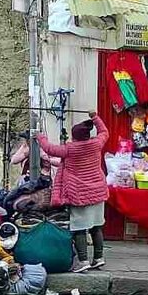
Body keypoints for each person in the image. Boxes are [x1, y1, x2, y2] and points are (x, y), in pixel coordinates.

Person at [36, 112, 109, 273]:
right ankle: (98, 258)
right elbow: (104, 132)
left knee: (79, 228)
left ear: (75, 137)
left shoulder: (71, 149)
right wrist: (96, 117)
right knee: (96, 227)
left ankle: (83, 261)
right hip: (98, 191)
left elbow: (49, 149)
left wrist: (39, 137)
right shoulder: (96, 143)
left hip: (79, 194)